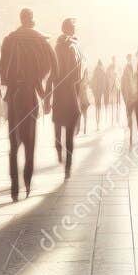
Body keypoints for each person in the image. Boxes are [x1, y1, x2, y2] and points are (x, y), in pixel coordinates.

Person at [0, 8, 53, 202]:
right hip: (30, 96)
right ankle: (28, 180)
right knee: (30, 142)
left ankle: (14, 186)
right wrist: (40, 83)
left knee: (13, 145)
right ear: (31, 20)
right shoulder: (40, 39)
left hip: (14, 95)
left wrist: (12, 81)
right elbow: (50, 65)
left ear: (20, 19)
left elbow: (2, 71)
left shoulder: (9, 39)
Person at [51, 19, 86, 178]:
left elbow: (52, 73)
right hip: (71, 93)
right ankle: (68, 167)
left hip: (58, 93)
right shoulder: (75, 47)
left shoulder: (57, 47)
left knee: (58, 124)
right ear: (72, 30)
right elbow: (78, 76)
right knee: (70, 132)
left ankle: (58, 148)